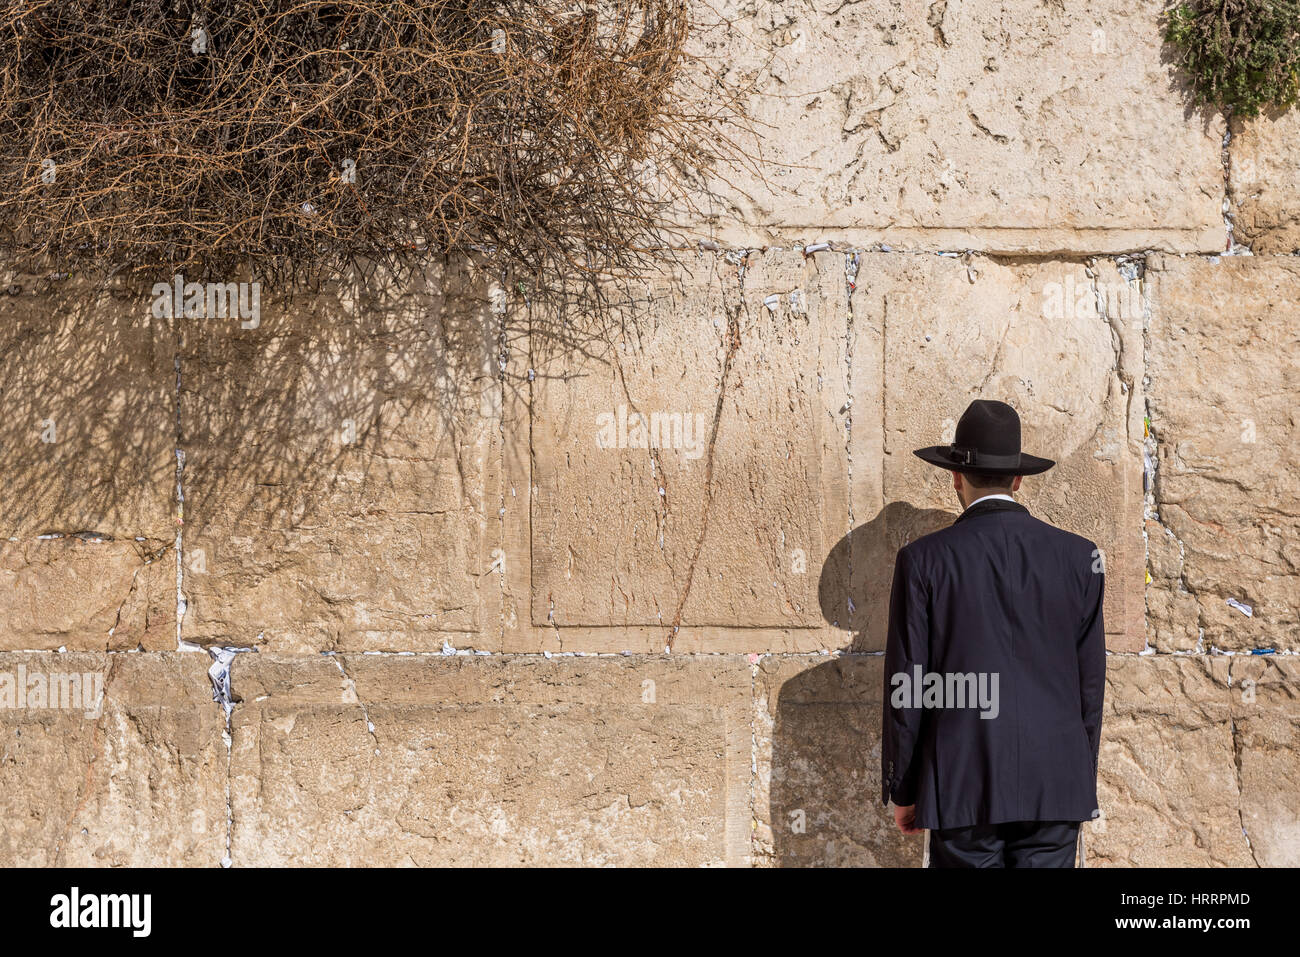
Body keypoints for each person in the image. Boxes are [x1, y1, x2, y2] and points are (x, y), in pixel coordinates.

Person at [881, 399, 1106, 867]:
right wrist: (1078, 775)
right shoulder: (1081, 558)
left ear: (956, 477)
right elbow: (1089, 685)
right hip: (1056, 781)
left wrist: (904, 785)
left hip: (962, 782)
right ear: (1018, 479)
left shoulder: (923, 560)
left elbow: (908, 685)